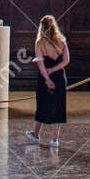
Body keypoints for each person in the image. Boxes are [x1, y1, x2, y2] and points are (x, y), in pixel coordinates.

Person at [26, 15, 70, 149]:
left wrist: (47, 78)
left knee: (42, 105)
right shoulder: (62, 41)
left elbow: (40, 64)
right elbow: (66, 60)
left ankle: (36, 135)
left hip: (44, 78)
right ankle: (55, 140)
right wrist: (54, 70)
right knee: (58, 107)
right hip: (59, 77)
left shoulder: (39, 43)